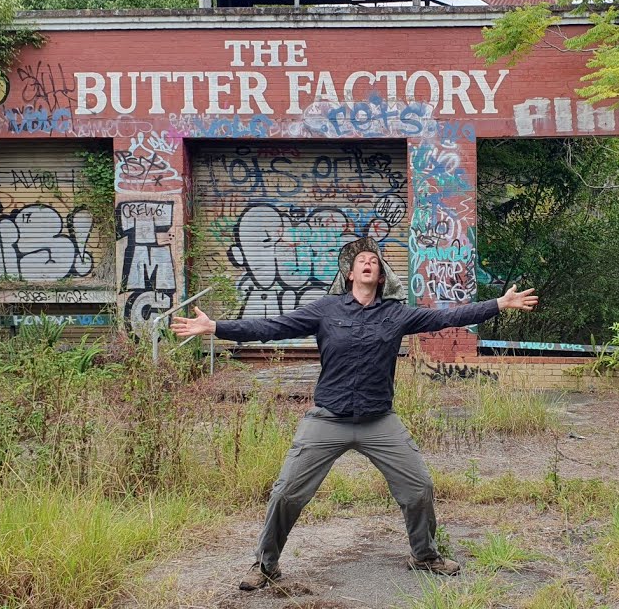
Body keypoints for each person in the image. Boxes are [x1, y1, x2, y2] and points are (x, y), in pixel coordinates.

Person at [171, 236, 539, 591]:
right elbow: (272, 327)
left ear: (381, 277)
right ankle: (265, 565)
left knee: (418, 488)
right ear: (349, 274)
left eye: (374, 261)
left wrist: (498, 304)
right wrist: (216, 327)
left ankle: (424, 556)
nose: (367, 262)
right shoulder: (325, 309)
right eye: (361, 260)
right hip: (327, 419)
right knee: (286, 493)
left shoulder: (396, 314)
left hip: (378, 421)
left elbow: (446, 317)